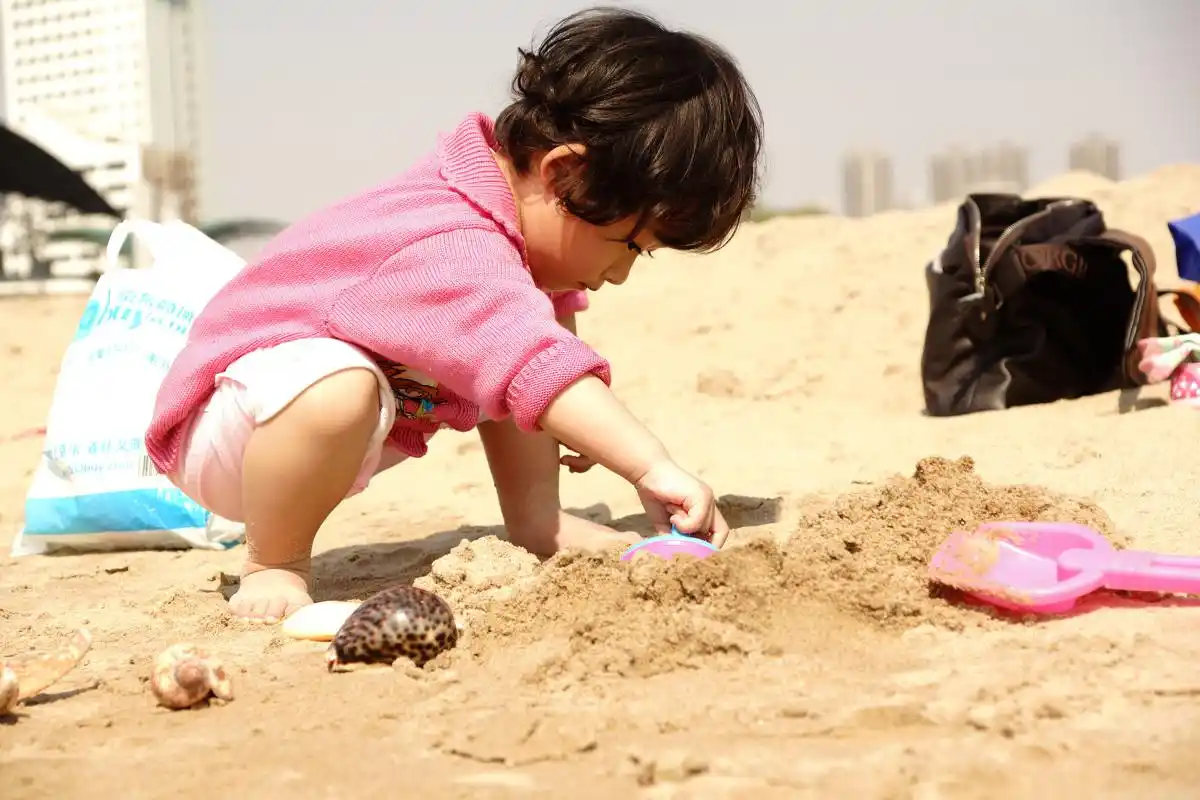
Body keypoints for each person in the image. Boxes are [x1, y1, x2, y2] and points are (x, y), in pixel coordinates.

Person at [144, 6, 764, 623]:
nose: (621, 273)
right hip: (231, 431)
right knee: (347, 388)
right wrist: (650, 465)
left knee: (522, 357)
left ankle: (537, 520)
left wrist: (543, 509)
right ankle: (275, 561)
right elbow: (528, 359)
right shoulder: (450, 238)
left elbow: (527, 371)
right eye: (629, 244)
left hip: (315, 426)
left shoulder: (520, 254)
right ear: (564, 174)